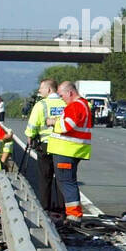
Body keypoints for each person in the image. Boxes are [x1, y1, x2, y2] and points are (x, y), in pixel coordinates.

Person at [49, 82, 93, 223]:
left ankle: (74, 215)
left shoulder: (75, 106)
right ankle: (73, 213)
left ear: (70, 93)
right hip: (72, 149)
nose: (62, 99)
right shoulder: (83, 104)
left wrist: (52, 122)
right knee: (68, 181)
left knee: (66, 182)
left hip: (66, 150)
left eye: (62, 95)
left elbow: (66, 126)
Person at [24, 79, 66, 212]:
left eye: (41, 88)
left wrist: (30, 137)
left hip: (46, 145)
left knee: (45, 178)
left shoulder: (41, 105)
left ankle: (45, 209)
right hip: (64, 145)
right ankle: (63, 210)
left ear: (49, 90)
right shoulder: (65, 103)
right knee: (62, 179)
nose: (39, 91)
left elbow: (33, 125)